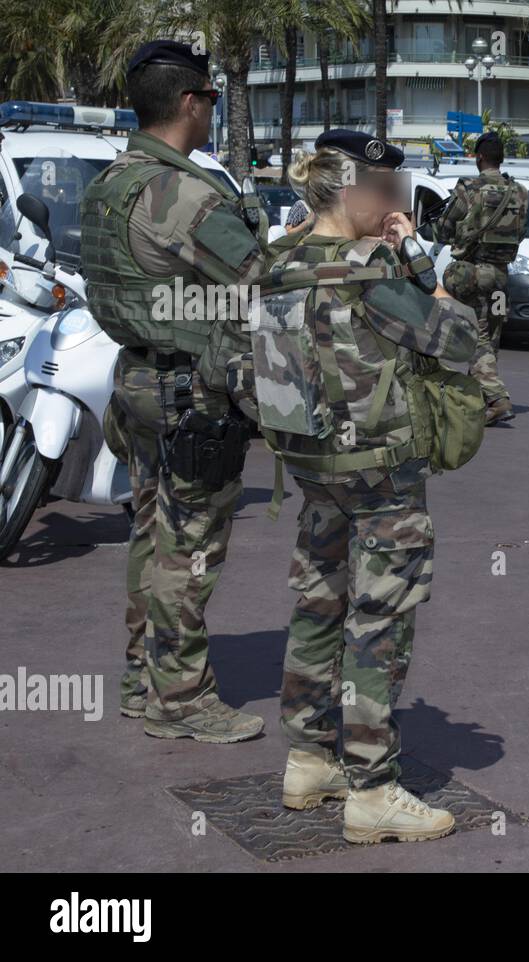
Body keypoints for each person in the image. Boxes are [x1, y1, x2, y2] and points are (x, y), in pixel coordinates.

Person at [259, 130, 479, 844]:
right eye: (387, 191)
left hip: (312, 470)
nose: (395, 203)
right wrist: (417, 256)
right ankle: (373, 787)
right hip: (383, 477)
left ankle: (308, 758)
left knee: (318, 602)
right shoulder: (371, 276)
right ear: (351, 191)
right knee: (378, 624)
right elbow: (461, 338)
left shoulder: (276, 263)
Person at [80, 40, 266, 741]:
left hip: (134, 378)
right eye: (212, 99)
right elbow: (258, 280)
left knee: (150, 535)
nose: (213, 111)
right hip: (188, 391)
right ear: (191, 102)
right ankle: (180, 699)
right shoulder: (184, 193)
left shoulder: (112, 183)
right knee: (188, 549)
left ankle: (142, 677)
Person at [432, 131, 528, 426]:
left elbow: (444, 230)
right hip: (500, 278)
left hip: (472, 275)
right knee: (492, 337)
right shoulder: (520, 192)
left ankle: (497, 398)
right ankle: (479, 399)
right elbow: (520, 232)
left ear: (479, 158)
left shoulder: (468, 189)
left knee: (477, 337)